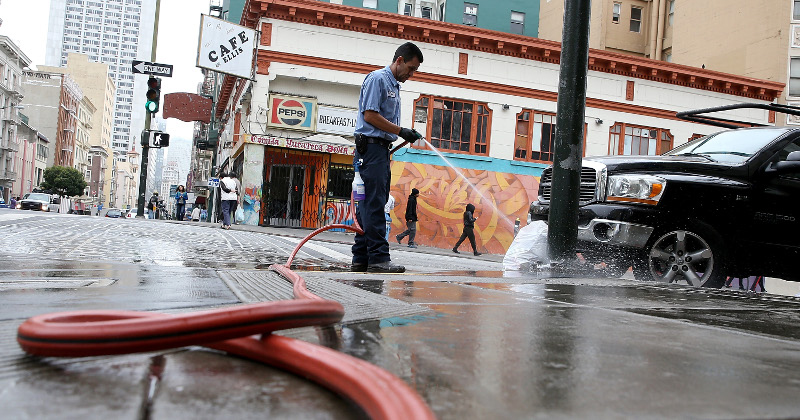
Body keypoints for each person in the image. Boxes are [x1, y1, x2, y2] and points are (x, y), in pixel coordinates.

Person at [350, 42, 424, 274]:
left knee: (368, 205)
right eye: (410, 69)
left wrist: (402, 132)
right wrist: (401, 131)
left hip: (379, 149)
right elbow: (370, 115)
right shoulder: (378, 79)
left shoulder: (394, 85)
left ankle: (361, 257)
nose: (411, 75)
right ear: (399, 60)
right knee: (374, 204)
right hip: (370, 150)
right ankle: (379, 258)